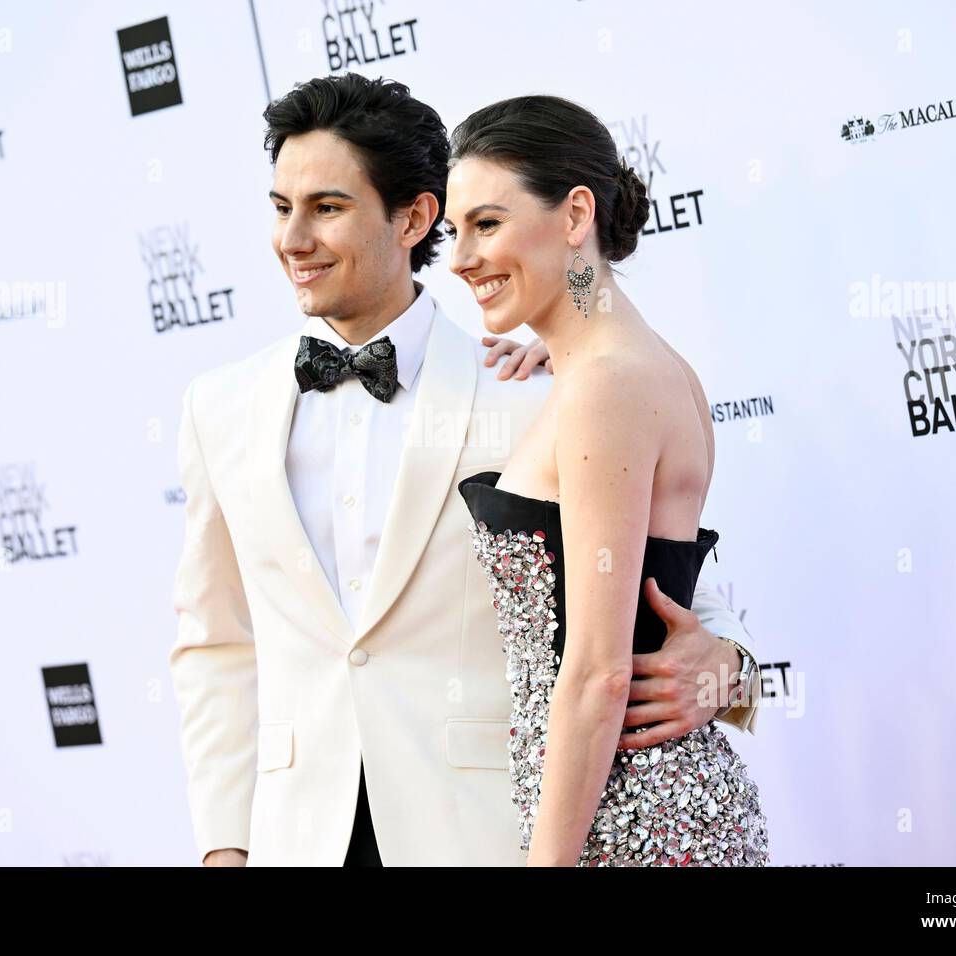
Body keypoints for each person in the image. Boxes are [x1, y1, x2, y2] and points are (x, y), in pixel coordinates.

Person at [169, 73, 761, 867]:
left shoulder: (537, 389)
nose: (293, 240)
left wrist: (731, 672)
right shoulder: (220, 408)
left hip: (487, 836)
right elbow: (214, 645)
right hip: (292, 840)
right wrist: (224, 846)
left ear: (412, 219)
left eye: (328, 208)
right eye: (281, 209)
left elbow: (674, 600)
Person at [450, 94, 769, 866]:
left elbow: (596, 674)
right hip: (646, 805)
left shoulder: (606, 386)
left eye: (486, 224)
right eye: (454, 231)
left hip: (629, 821)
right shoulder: (631, 369)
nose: (460, 258)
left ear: (574, 215)